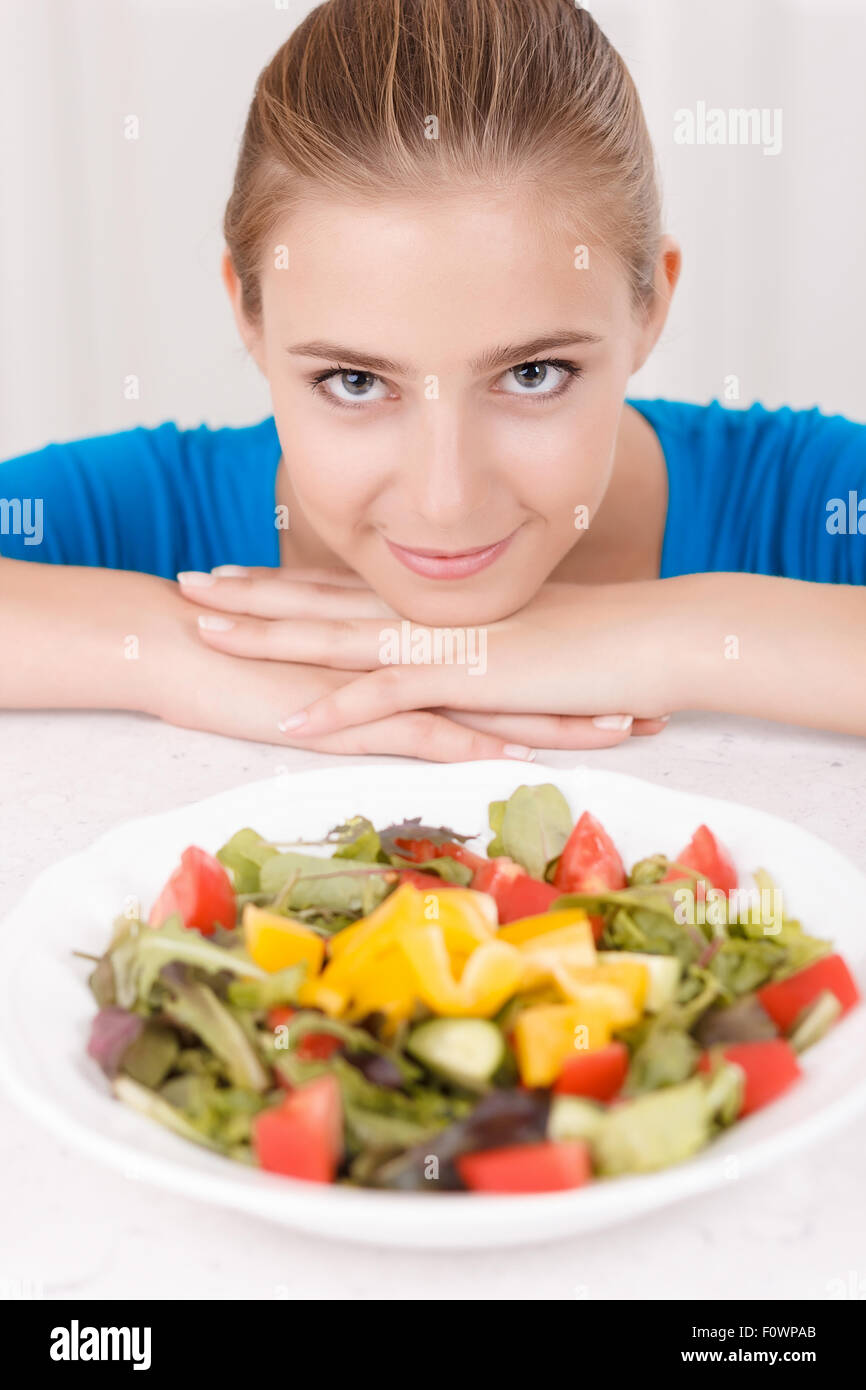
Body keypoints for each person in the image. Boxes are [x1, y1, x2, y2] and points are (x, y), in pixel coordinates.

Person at [2, 0, 864, 760]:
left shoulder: (805, 497)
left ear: (650, 305)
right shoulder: (150, 510)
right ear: (250, 316)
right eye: (354, 382)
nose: (445, 500)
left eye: (533, 374)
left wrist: (661, 638)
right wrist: (173, 651)